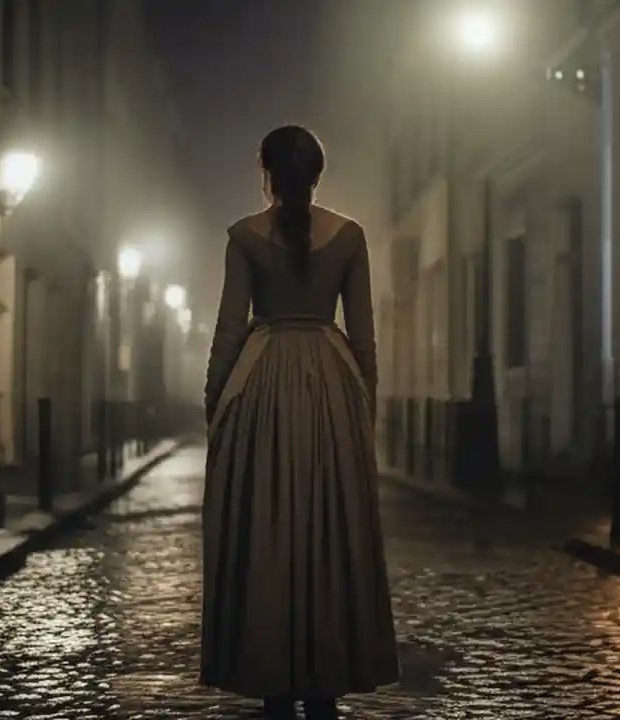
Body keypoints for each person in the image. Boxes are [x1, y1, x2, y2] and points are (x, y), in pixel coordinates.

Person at [200, 125, 400, 719]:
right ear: (317, 175)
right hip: (331, 386)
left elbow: (228, 330)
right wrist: (364, 409)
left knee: (268, 529)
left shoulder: (244, 237)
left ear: (266, 174)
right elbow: (364, 337)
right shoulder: (349, 236)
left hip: (261, 383)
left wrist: (215, 405)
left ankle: (274, 683)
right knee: (330, 530)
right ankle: (325, 682)